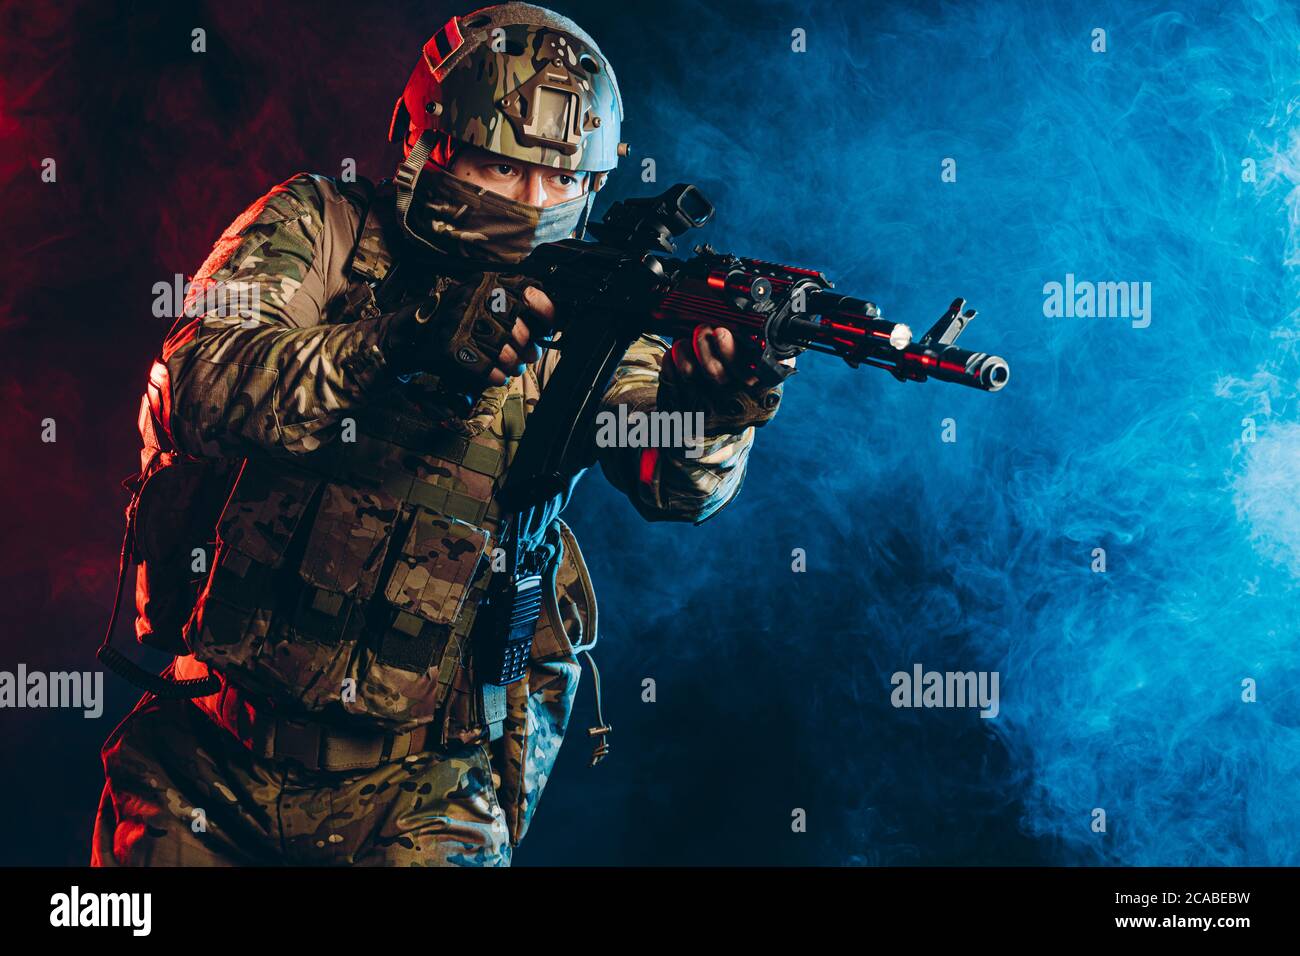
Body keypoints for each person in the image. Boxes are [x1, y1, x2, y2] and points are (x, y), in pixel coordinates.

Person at [92, 2, 788, 866]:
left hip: (421, 788)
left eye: (563, 181)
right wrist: (401, 341)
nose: (535, 204)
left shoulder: (591, 321)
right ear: (434, 143)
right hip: (209, 753)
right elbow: (199, 387)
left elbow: (676, 485)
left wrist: (715, 412)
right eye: (504, 166)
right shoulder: (320, 228)